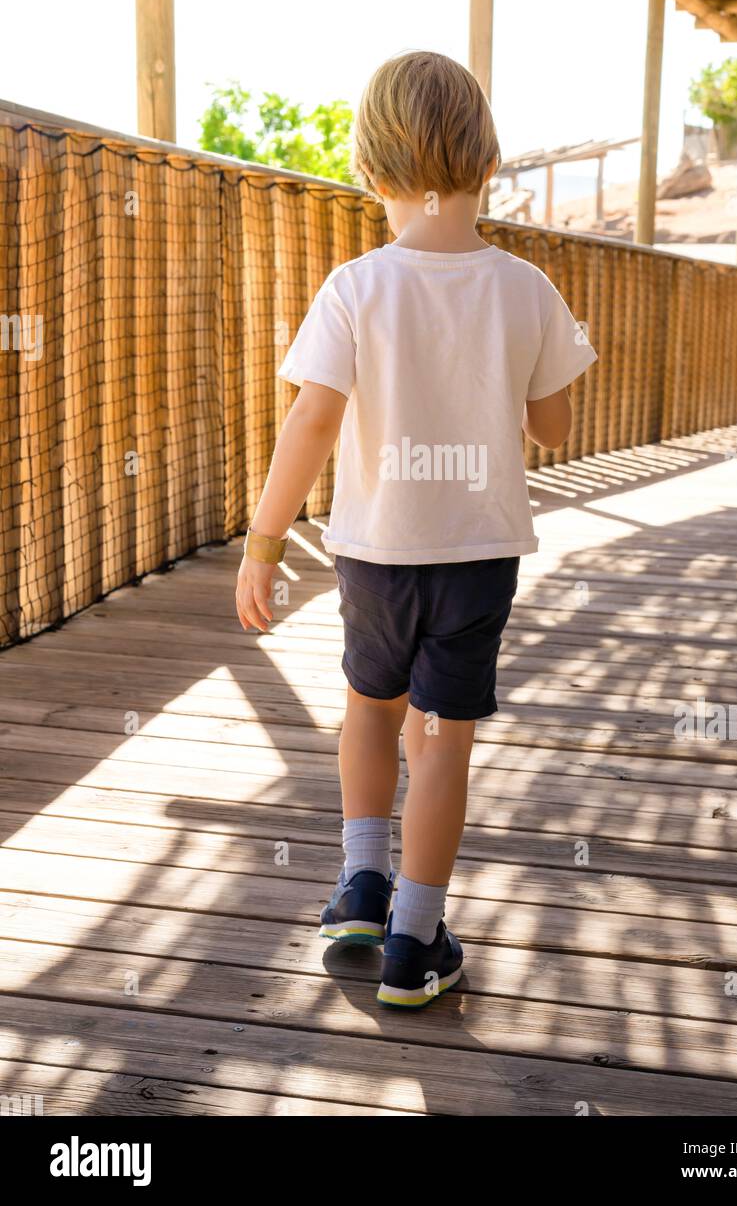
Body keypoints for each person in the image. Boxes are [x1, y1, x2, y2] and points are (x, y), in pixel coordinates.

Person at [235, 50, 596, 1008]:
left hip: (374, 556)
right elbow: (552, 430)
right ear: (487, 160)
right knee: (442, 742)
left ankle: (360, 883)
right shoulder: (527, 287)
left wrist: (265, 541)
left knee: (369, 708)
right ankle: (416, 937)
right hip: (476, 558)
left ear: (371, 167)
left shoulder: (356, 287)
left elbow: (312, 420)